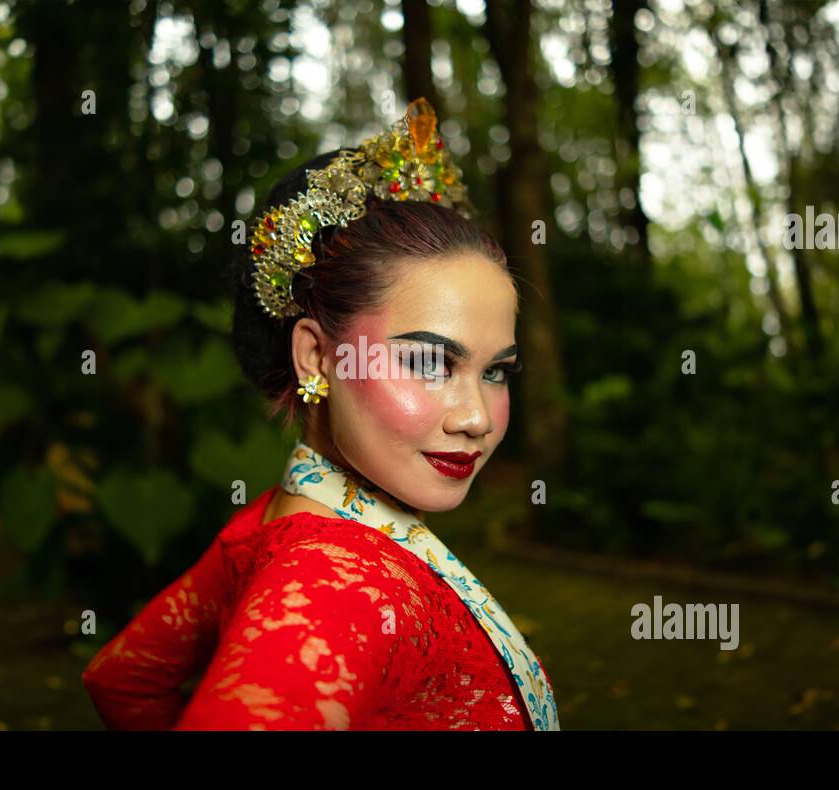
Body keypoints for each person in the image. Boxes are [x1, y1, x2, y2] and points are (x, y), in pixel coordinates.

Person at [81, 99, 559, 731]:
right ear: (316, 357)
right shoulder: (336, 584)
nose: (476, 417)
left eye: (495, 370)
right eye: (428, 363)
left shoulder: (263, 528)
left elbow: (125, 674)